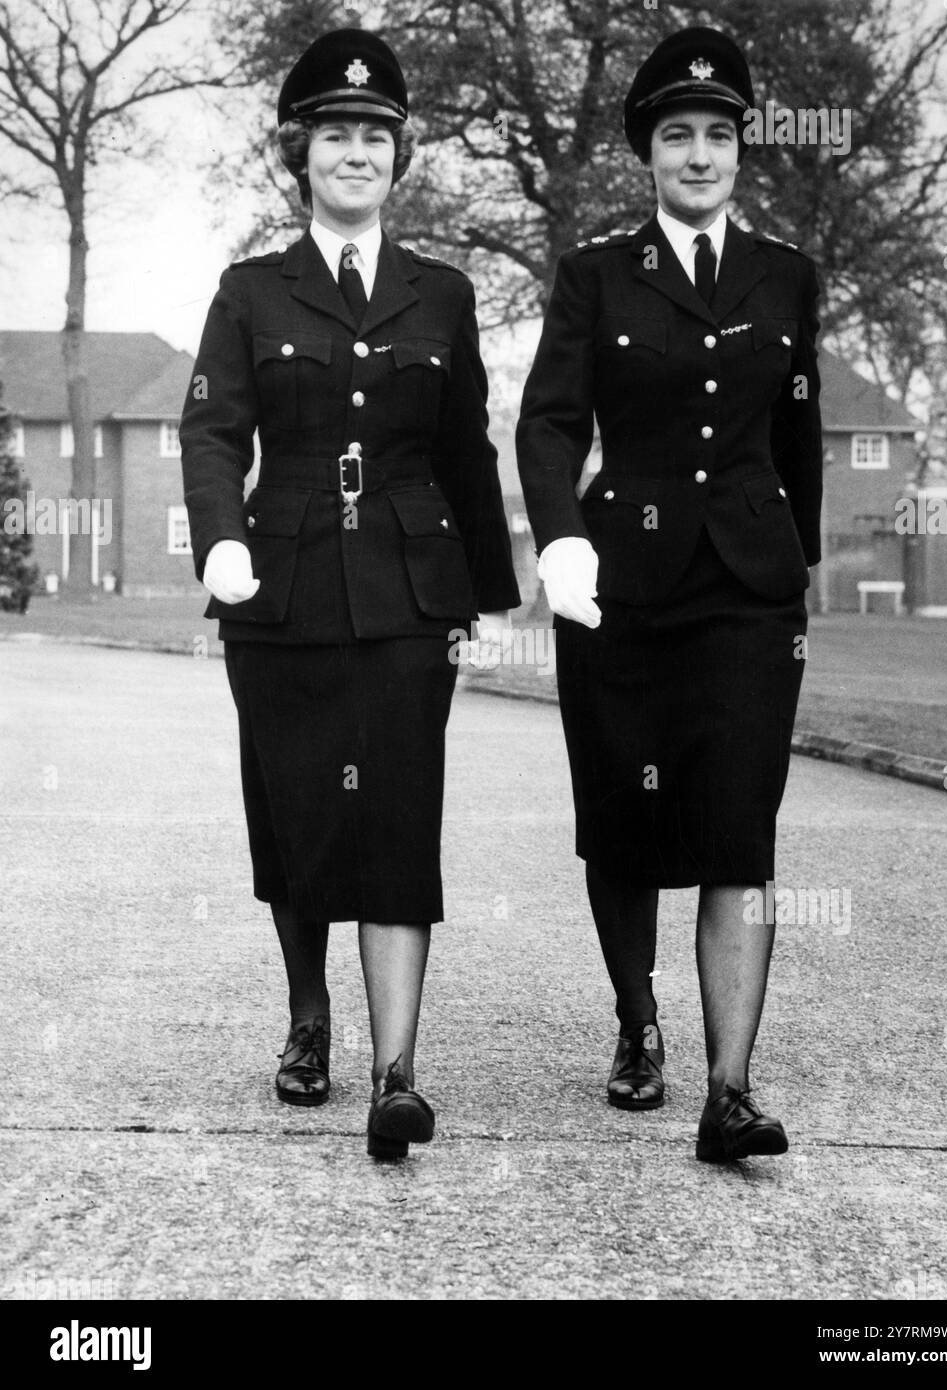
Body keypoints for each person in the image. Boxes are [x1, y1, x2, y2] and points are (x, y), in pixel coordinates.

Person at [180, 28, 519, 1159]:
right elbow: (215, 428)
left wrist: (490, 586)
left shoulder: (441, 293)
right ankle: (307, 1015)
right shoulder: (249, 291)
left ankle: (396, 1069)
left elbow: (466, 447)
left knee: (397, 815)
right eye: (335, 135)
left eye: (375, 136)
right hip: (279, 597)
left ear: (398, 155)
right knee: (298, 815)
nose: (356, 153)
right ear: (301, 153)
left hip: (409, 597)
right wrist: (221, 543)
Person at [516, 26, 822, 1161]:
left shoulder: (786, 274)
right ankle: (636, 1025)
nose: (698, 155)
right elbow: (547, 420)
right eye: (676, 135)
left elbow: (799, 435)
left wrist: (800, 568)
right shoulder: (596, 272)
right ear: (647, 153)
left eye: (718, 135)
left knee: (738, 829)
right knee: (625, 827)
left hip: (746, 592)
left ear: (741, 151)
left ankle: (728, 1089)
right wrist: (559, 539)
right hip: (623, 591)